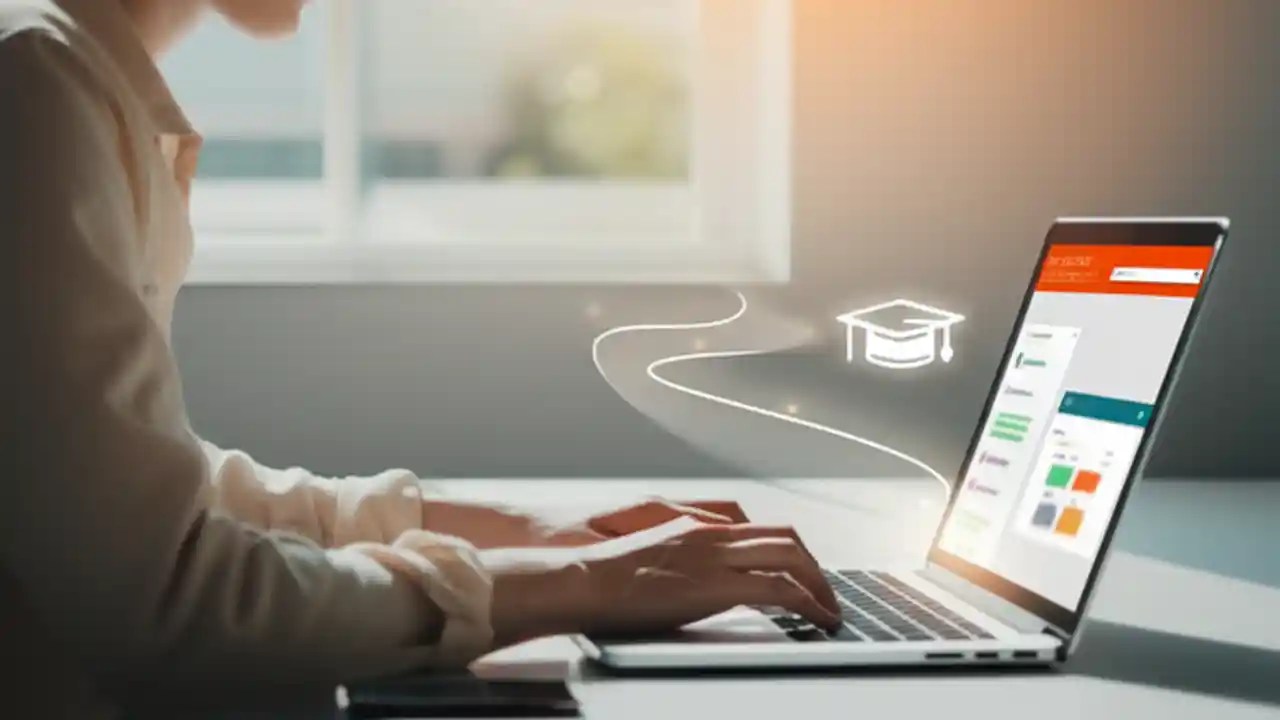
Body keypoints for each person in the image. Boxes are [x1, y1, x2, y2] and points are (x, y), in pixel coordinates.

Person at [0, 0, 839, 715]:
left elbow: (123, 500)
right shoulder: (35, 86)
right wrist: (583, 581)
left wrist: (533, 531)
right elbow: (173, 602)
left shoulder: (61, 69)